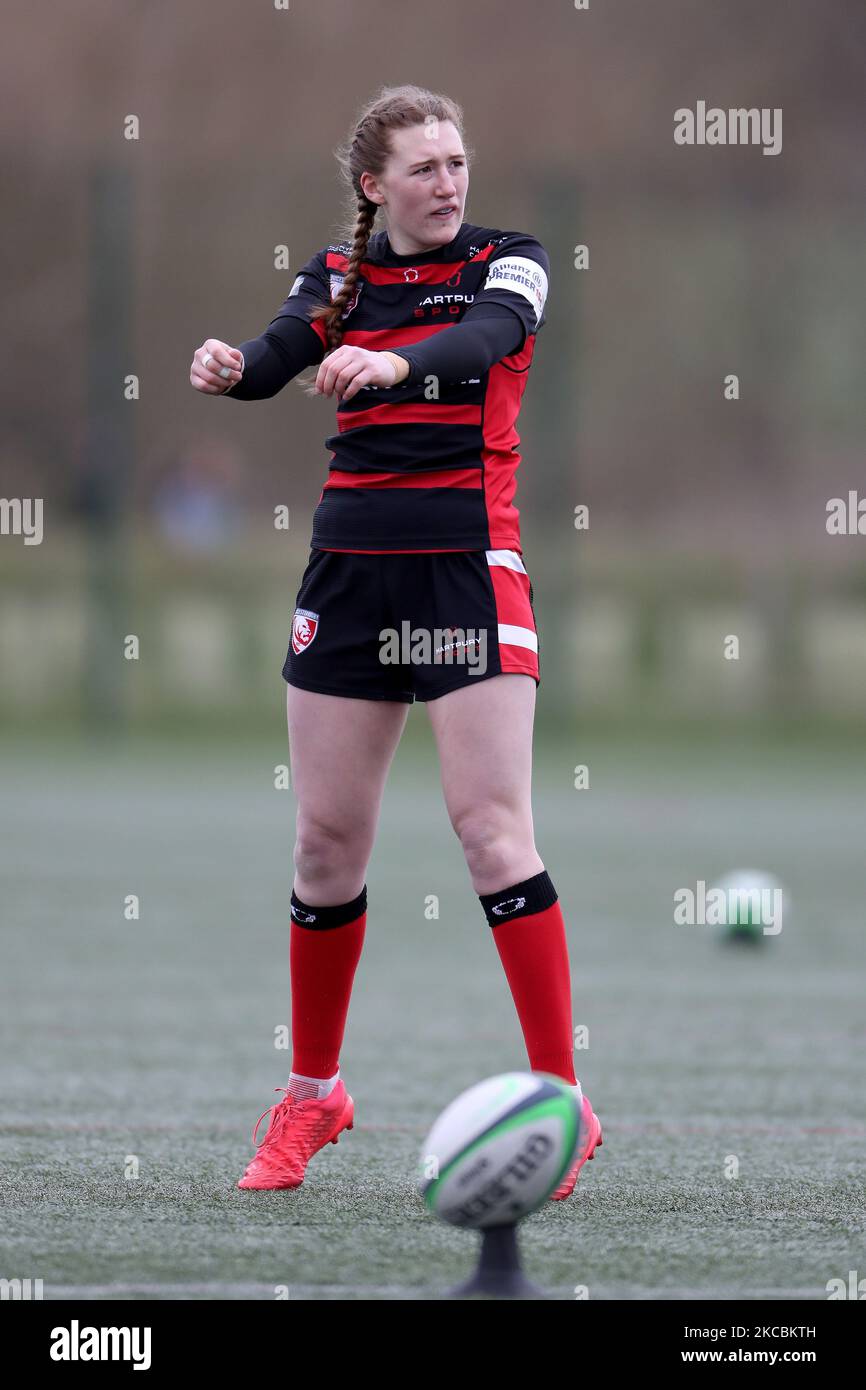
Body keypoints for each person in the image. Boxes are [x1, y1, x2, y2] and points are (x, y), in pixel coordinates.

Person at [190, 84, 601, 1200]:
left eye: (457, 162)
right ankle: (313, 1094)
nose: (448, 181)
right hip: (347, 572)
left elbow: (486, 338)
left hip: (465, 570)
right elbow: (282, 349)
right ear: (374, 185)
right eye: (422, 168)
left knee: (489, 832)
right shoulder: (337, 276)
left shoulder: (509, 258)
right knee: (324, 846)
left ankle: (560, 1098)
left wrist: (393, 364)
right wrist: (235, 364)